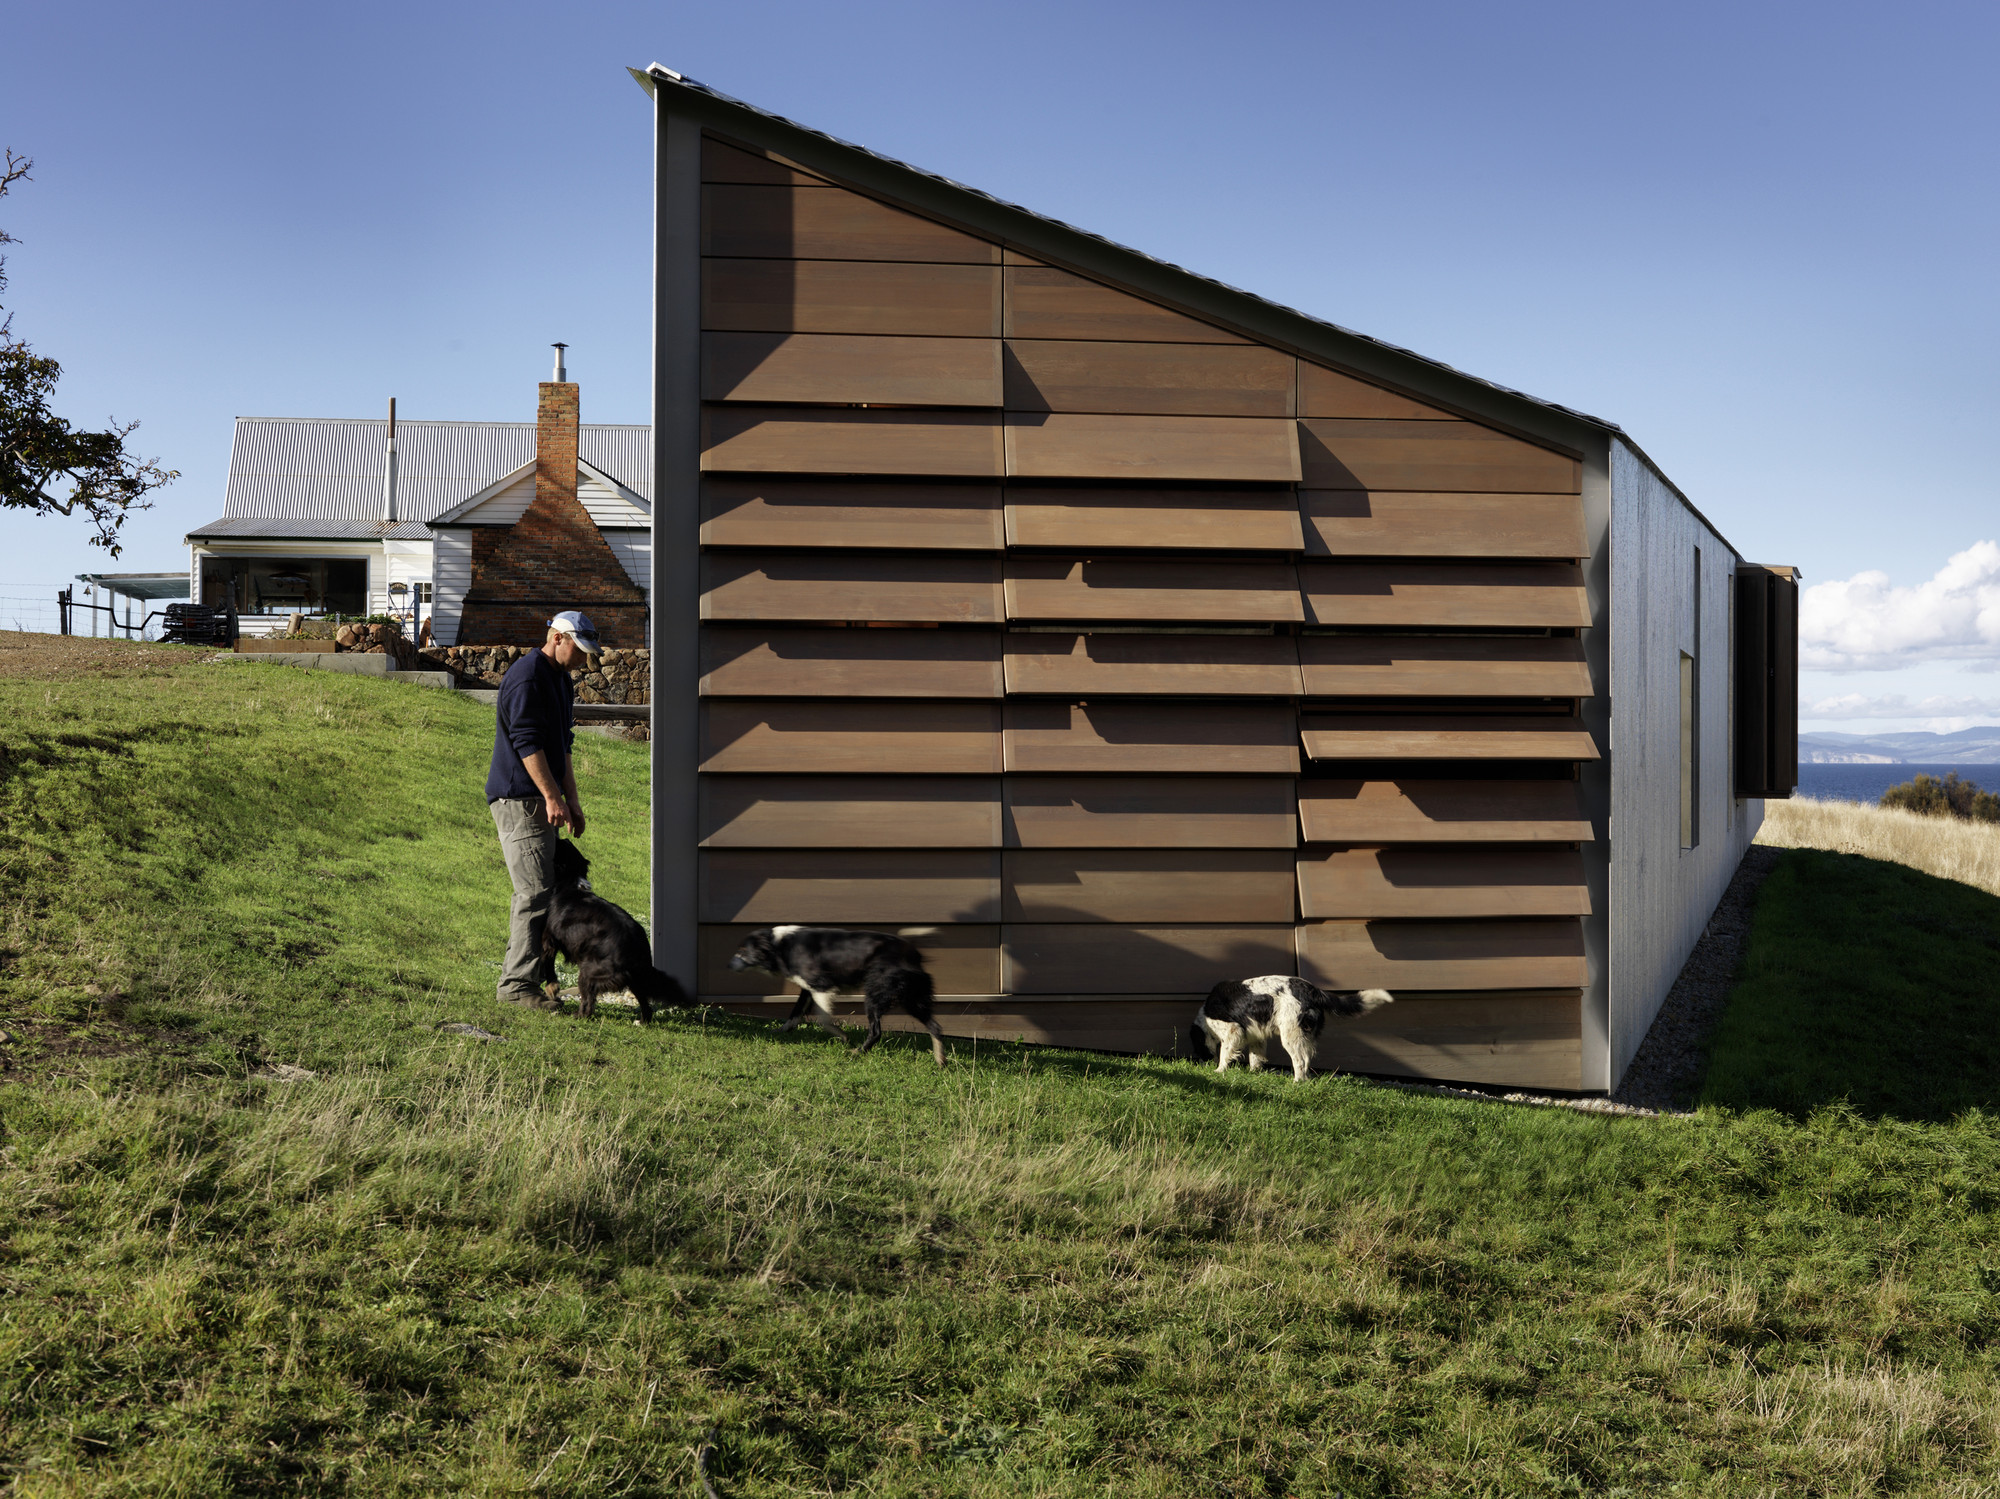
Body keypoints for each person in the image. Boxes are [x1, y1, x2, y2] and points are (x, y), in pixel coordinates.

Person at [487, 610, 600, 1009]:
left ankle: (529, 981)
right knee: (534, 894)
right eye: (578, 649)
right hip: (520, 799)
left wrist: (572, 800)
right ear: (557, 638)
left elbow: (562, 745)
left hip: (542, 799)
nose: (583, 659)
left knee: (545, 891)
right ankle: (516, 987)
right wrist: (552, 798)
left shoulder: (560, 679)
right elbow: (526, 743)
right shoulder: (528, 677)